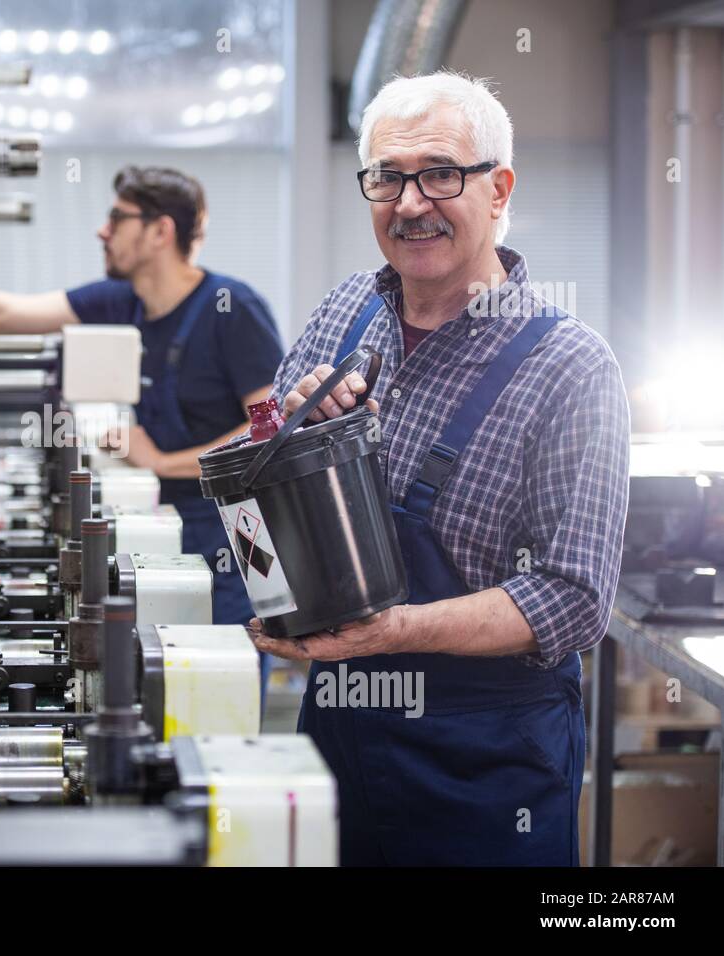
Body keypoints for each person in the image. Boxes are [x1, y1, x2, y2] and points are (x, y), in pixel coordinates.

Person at [252, 72, 630, 865]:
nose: (411, 202)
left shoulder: (570, 367)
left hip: (485, 767)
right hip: (339, 728)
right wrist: (283, 429)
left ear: (499, 190)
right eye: (388, 177)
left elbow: (572, 600)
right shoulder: (345, 310)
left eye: (440, 174)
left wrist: (395, 633)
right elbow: (256, 474)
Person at [0, 166, 285, 680]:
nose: (102, 230)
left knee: (220, 692)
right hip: (168, 537)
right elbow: (2, 314)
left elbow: (269, 431)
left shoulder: (231, 308)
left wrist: (164, 462)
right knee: (161, 691)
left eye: (117, 218)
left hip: (235, 545)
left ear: (161, 231)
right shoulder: (125, 302)